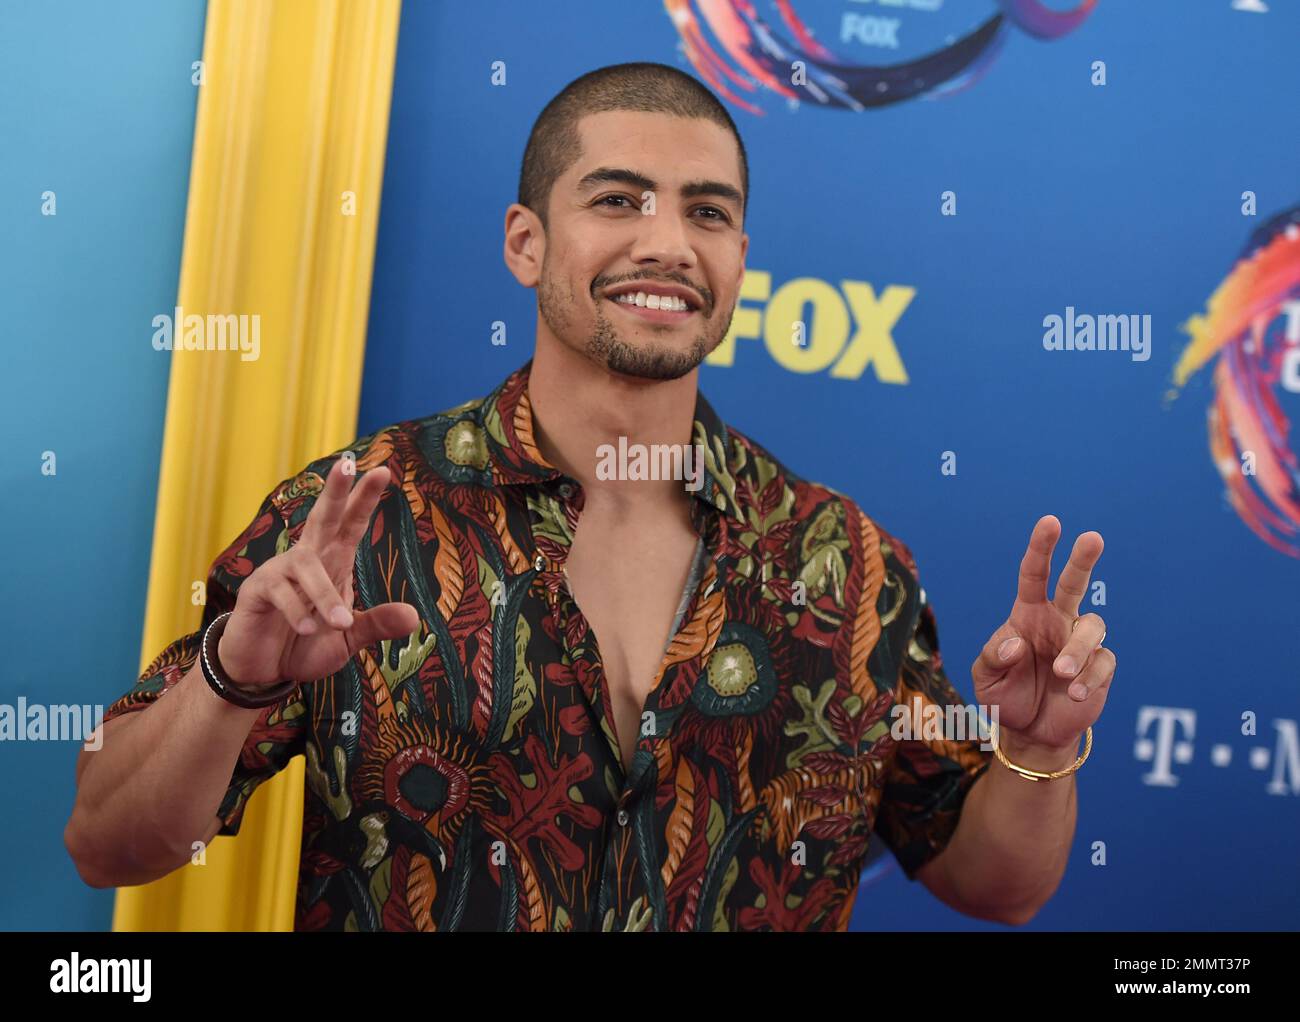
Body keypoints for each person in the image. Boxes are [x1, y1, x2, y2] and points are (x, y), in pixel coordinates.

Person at [65, 62, 1115, 931]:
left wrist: (1036, 750)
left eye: (707, 211)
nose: (666, 241)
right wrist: (231, 680)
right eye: (617, 200)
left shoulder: (844, 562)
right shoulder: (360, 514)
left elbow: (994, 884)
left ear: (738, 261)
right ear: (527, 242)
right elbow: (108, 842)